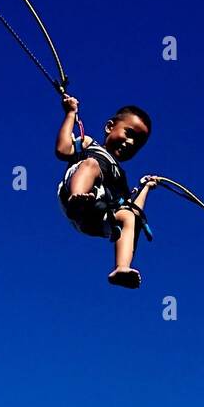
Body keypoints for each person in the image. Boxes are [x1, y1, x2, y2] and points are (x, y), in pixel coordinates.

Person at [55, 97, 158, 288]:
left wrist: (146, 188)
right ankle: (78, 200)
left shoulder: (120, 177)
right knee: (92, 165)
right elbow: (62, 150)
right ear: (110, 127)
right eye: (129, 133)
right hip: (74, 195)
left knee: (128, 215)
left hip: (95, 217)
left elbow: (134, 212)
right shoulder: (89, 144)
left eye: (138, 142)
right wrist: (70, 113)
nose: (131, 142)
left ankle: (121, 268)